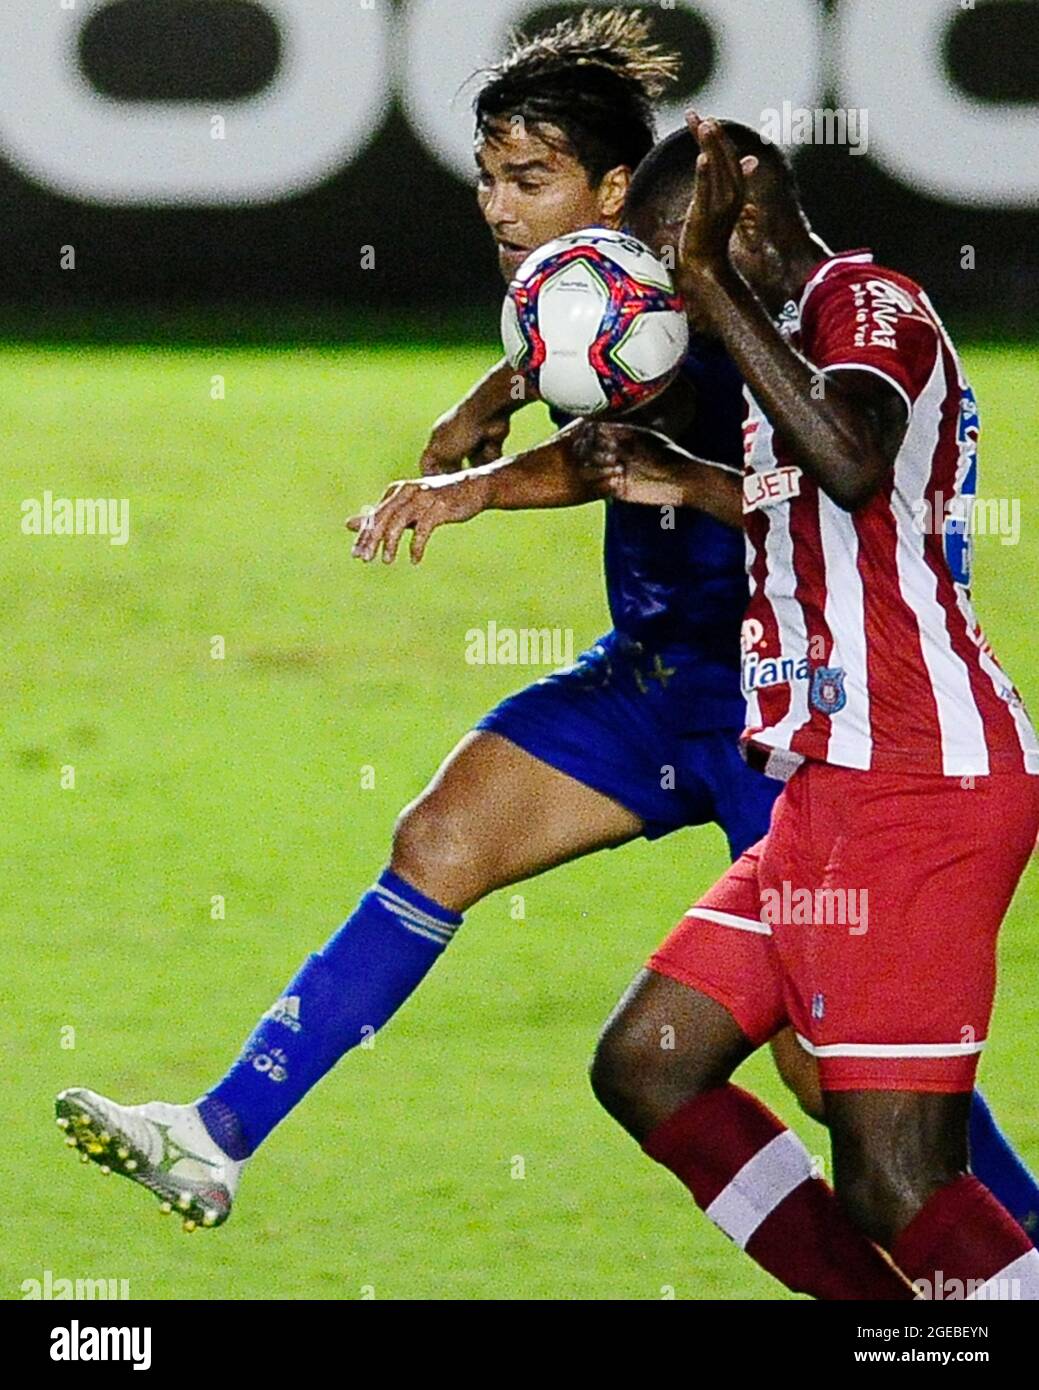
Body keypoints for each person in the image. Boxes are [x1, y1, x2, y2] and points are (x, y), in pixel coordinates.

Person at [580, 114, 1039, 1298]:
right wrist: (696, 483)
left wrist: (704, 285)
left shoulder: (863, 297)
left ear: (732, 214)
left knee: (899, 1181)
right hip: (827, 790)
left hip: (917, 779)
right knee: (649, 1063)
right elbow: (827, 509)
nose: (657, 284)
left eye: (664, 249)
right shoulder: (786, 342)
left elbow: (853, 458)